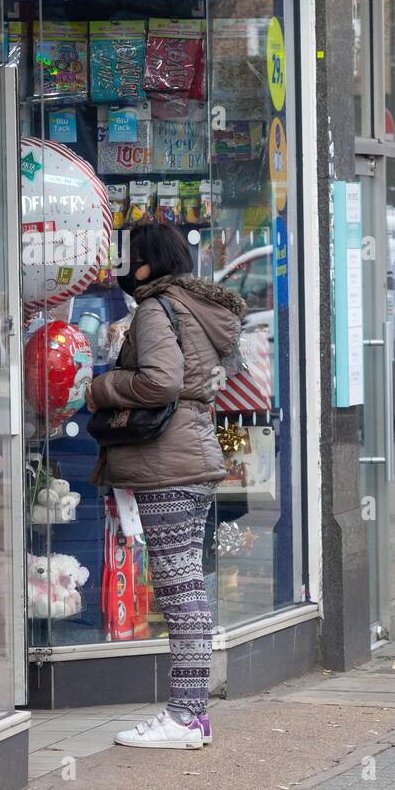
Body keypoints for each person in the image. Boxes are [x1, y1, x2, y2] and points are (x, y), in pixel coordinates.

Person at [86, 222, 246, 750]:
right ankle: (191, 715)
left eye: (128, 259)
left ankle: (185, 715)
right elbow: (215, 377)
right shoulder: (198, 309)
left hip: (168, 464)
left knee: (181, 593)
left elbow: (162, 381)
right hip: (189, 457)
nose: (122, 269)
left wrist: (101, 387)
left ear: (147, 265)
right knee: (187, 588)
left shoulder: (157, 309)